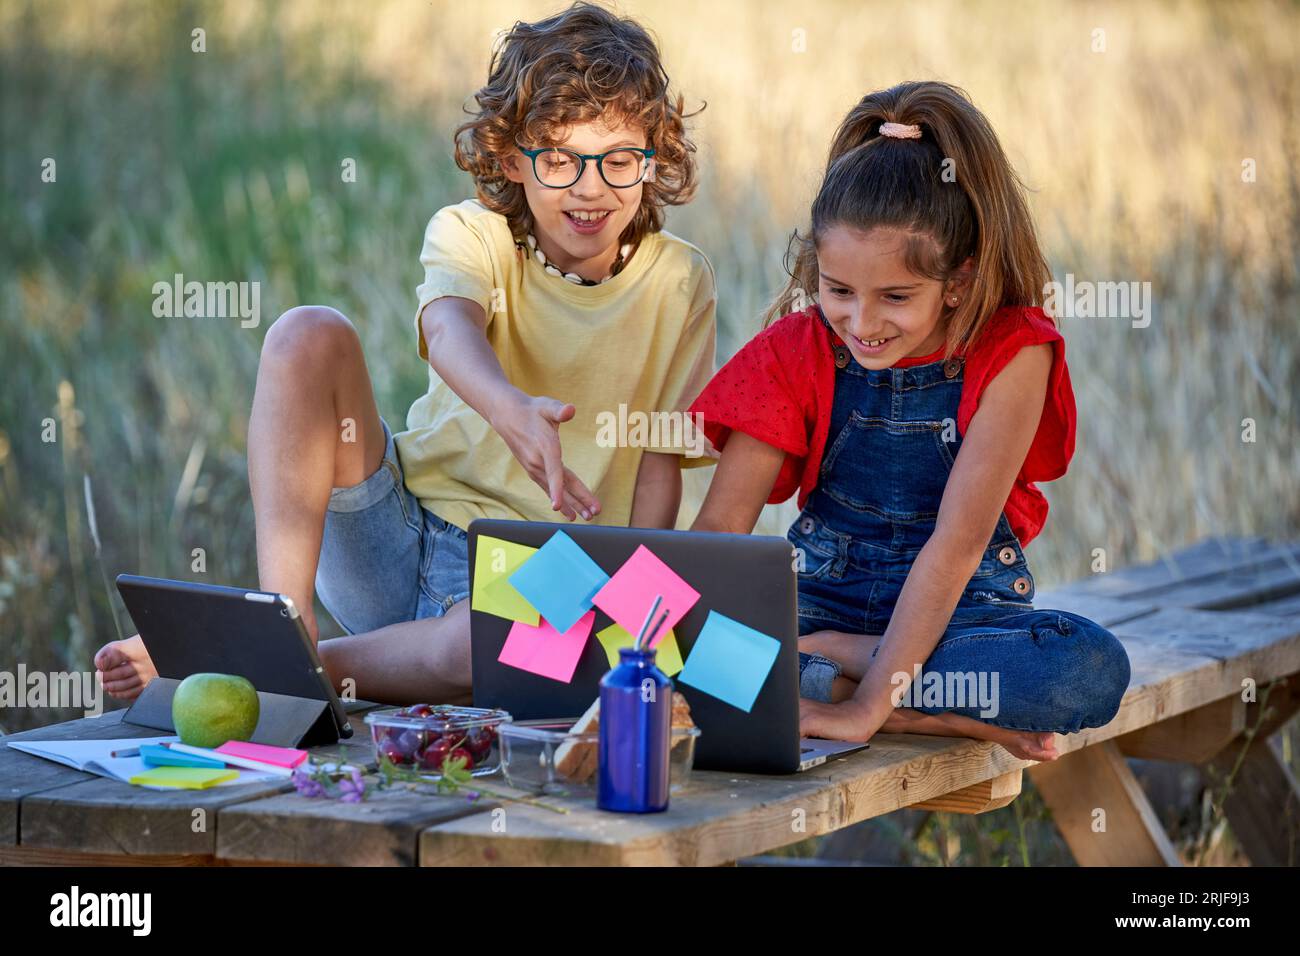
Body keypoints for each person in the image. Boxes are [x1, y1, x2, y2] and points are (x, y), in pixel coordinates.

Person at [688, 81, 1130, 762]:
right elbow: (719, 534)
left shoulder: (1014, 353)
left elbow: (955, 546)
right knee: (685, 653)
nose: (861, 324)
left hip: (959, 613)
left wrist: (866, 707)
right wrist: (674, 640)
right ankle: (944, 715)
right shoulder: (791, 351)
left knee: (1083, 670)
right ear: (818, 268)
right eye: (838, 291)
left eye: (895, 296)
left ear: (958, 281)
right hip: (821, 601)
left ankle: (838, 672)